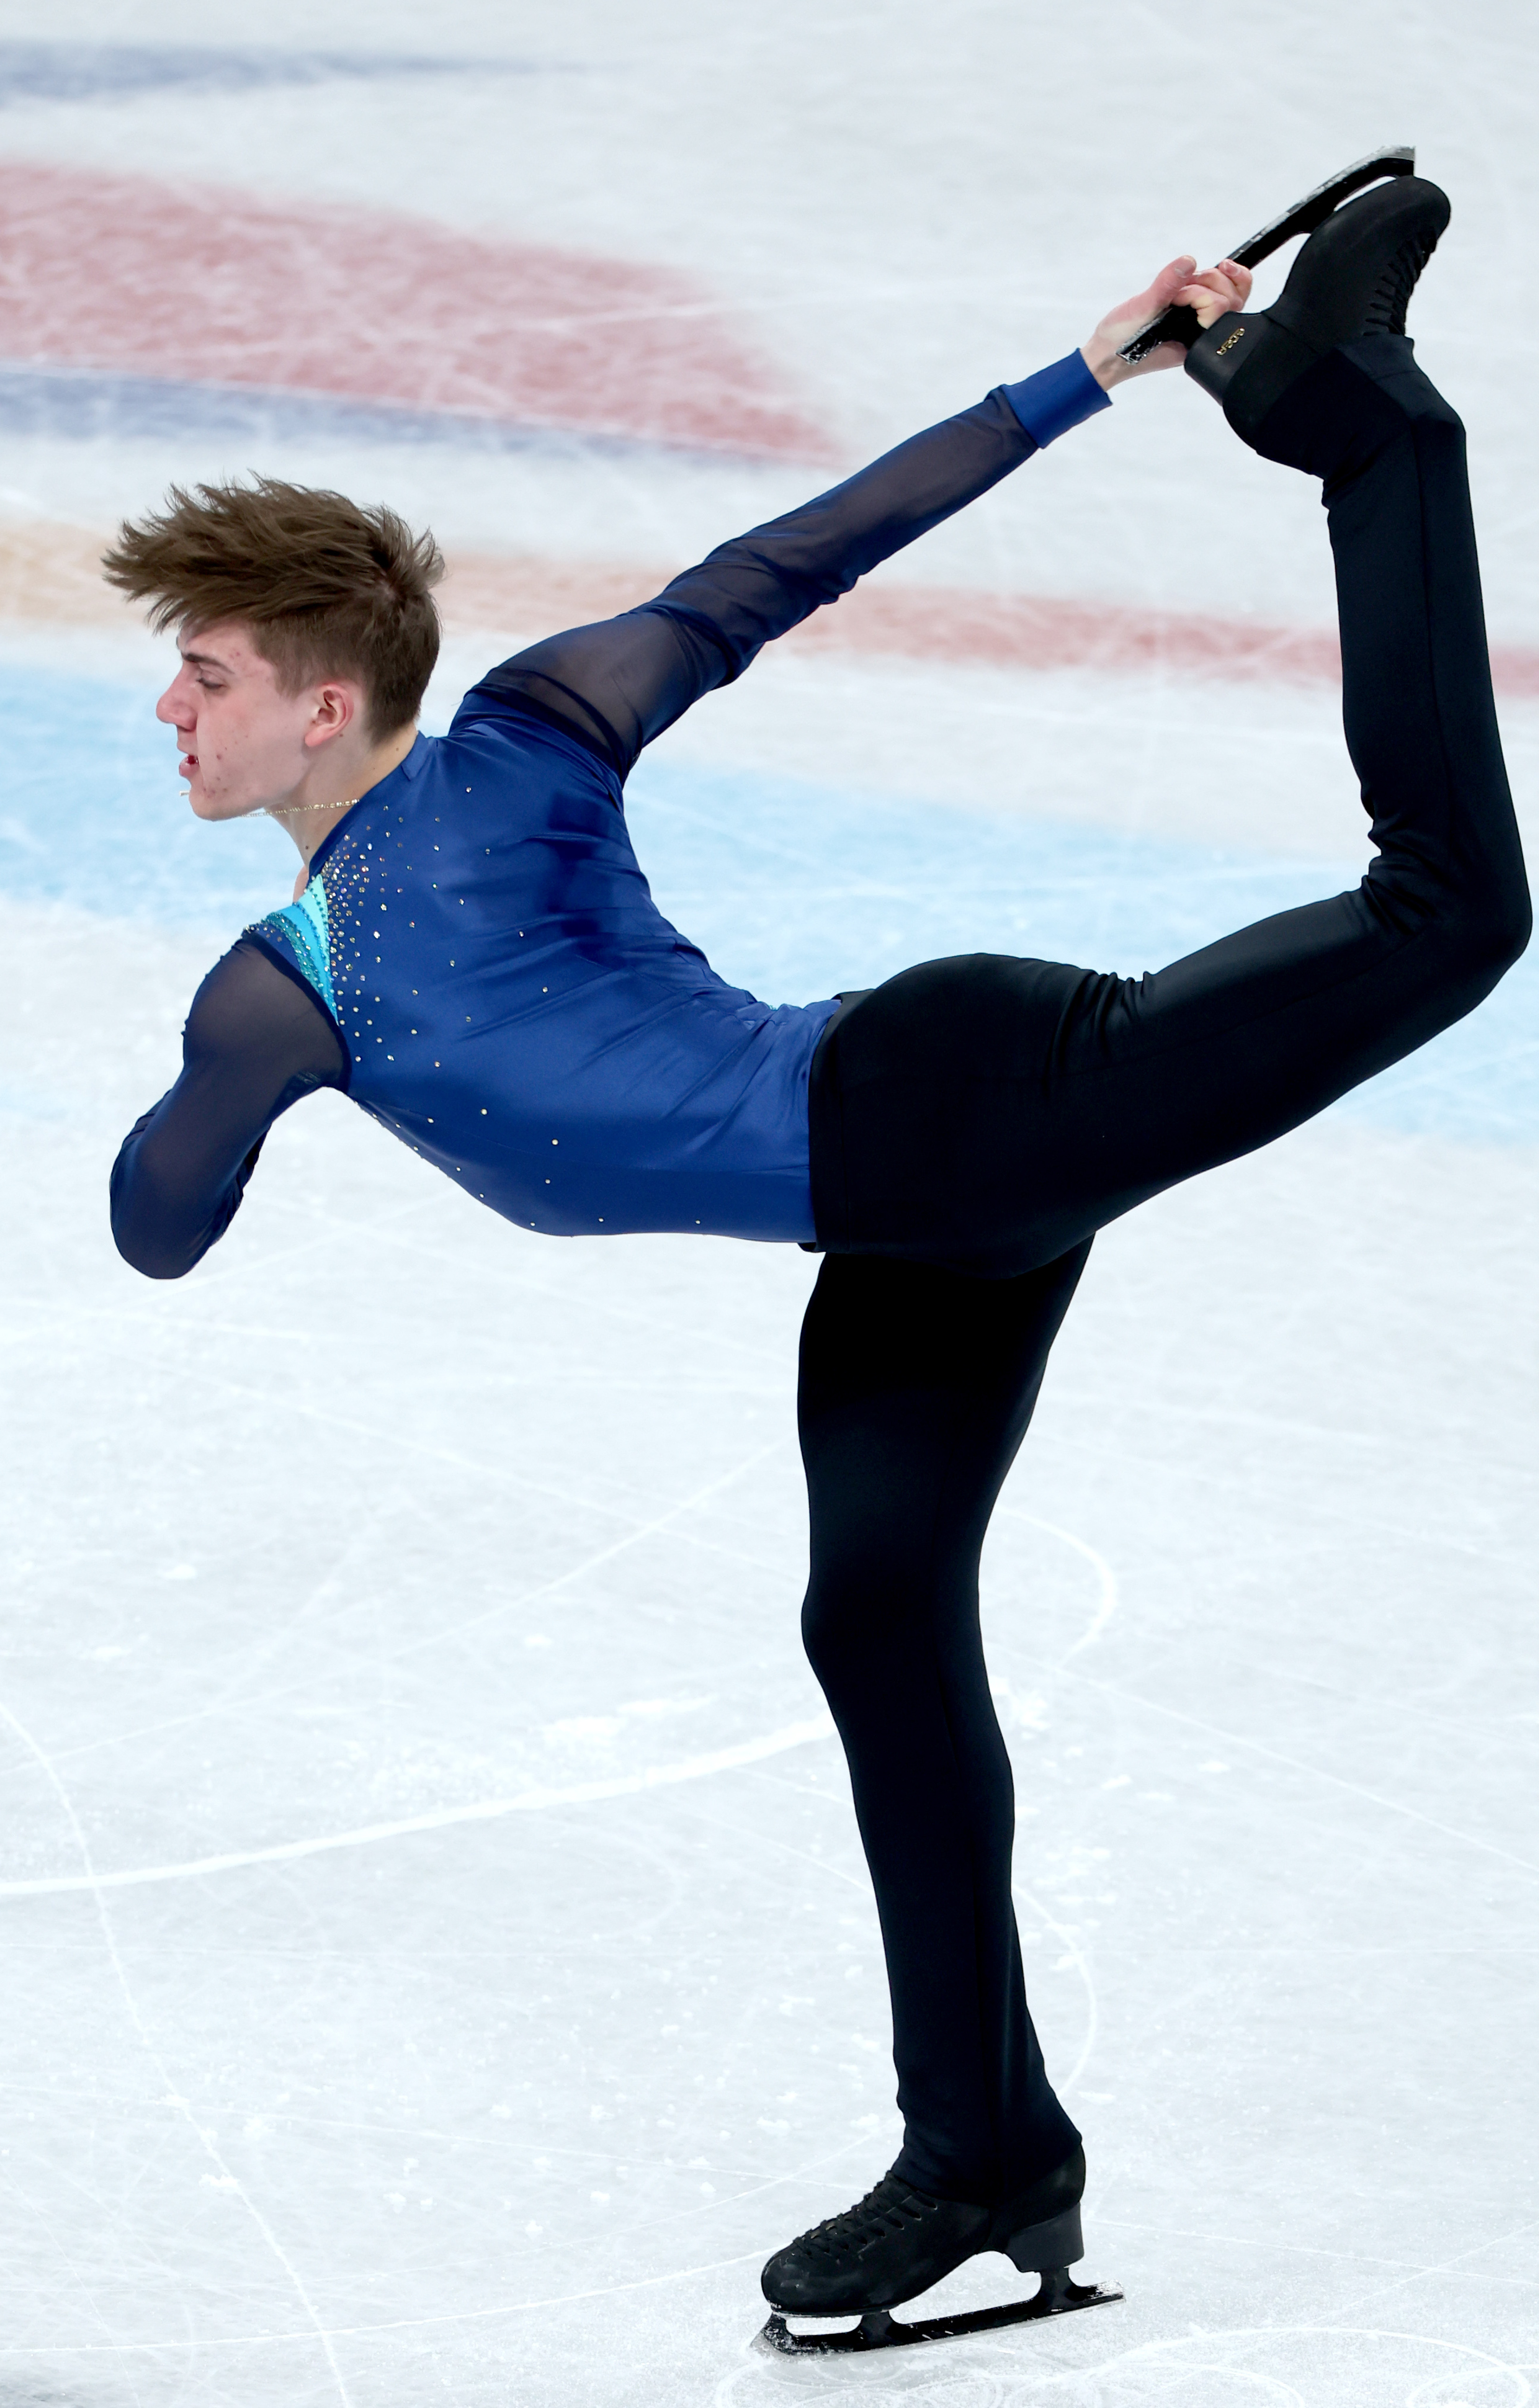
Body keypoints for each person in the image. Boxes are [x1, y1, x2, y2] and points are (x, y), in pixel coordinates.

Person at [105, 174, 1527, 2338]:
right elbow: (160, 1229)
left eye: (200, 676)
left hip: (955, 1097)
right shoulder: (309, 957)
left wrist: (1081, 376)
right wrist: (233, 1071)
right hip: (900, 1209)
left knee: (1448, 909)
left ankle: (1370, 429)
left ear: (322, 704)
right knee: (876, 1616)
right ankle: (985, 2151)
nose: (168, 715)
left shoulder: (461, 804)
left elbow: (784, 567)